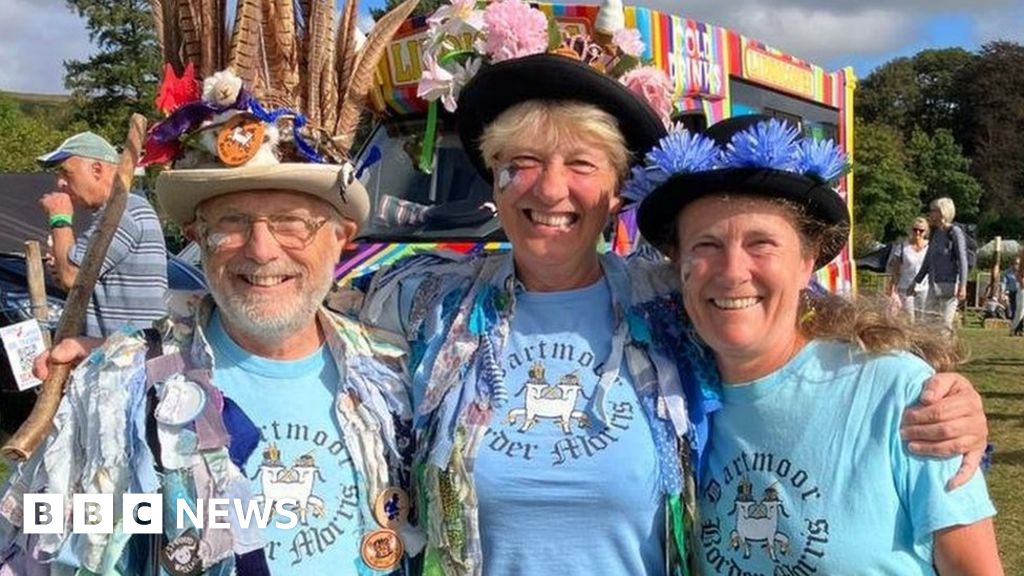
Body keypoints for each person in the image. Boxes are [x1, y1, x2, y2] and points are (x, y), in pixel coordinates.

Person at [352, 1, 992, 573]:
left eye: (580, 164)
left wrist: (944, 404)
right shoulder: (424, 305)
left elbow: (786, 331)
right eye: (520, 164)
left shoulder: (665, 305)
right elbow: (308, 346)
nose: (550, 191)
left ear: (615, 192)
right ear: (492, 180)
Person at [0, 71, 415, 575]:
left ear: (340, 238)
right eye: (231, 222)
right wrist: (119, 361)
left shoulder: (395, 380)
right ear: (198, 236)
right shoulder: (120, 389)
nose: (262, 250)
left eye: (291, 221)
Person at [632, 115, 1001, 574]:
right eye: (705, 245)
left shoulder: (902, 393)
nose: (731, 271)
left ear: (807, 261)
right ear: (677, 264)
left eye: (761, 243)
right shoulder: (670, 402)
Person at [36, 131, 168, 337]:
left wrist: (59, 218)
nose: (60, 183)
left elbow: (72, 277)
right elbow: (72, 280)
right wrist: (61, 266)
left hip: (128, 358)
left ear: (96, 170)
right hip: (116, 354)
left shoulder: (125, 211)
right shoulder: (112, 213)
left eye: (66, 173)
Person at [911, 197, 969, 330]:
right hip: (933, 285)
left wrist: (963, 286)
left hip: (949, 286)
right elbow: (928, 259)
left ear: (942, 212)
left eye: (933, 210)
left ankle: (947, 350)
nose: (930, 214)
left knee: (944, 326)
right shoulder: (935, 233)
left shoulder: (954, 232)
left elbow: (962, 259)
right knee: (928, 324)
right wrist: (916, 280)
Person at [887, 216, 930, 321]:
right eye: (915, 229)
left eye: (921, 230)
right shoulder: (903, 247)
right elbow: (896, 270)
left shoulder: (930, 247)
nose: (918, 233)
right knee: (909, 318)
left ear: (926, 232)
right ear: (911, 230)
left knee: (922, 319)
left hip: (924, 288)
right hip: (905, 287)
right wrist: (892, 287)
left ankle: (920, 337)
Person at [1001, 256, 1020, 331]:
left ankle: (1019, 327)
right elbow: (1003, 283)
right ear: (1012, 264)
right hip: (1012, 293)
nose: (1017, 265)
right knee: (1013, 309)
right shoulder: (1007, 272)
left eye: (1018, 264)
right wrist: (1002, 293)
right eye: (1015, 264)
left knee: (1020, 309)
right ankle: (1014, 326)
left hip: (1020, 293)